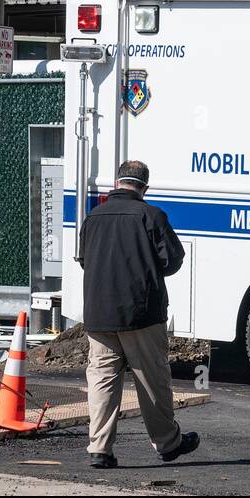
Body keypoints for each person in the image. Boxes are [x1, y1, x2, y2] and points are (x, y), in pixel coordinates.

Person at [78, 160, 200, 469]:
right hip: (141, 313)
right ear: (144, 187)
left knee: (102, 381)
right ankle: (168, 443)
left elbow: (84, 260)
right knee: (151, 381)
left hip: (98, 314)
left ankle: (100, 448)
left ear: (117, 182)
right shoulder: (152, 216)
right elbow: (172, 261)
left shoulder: (93, 217)